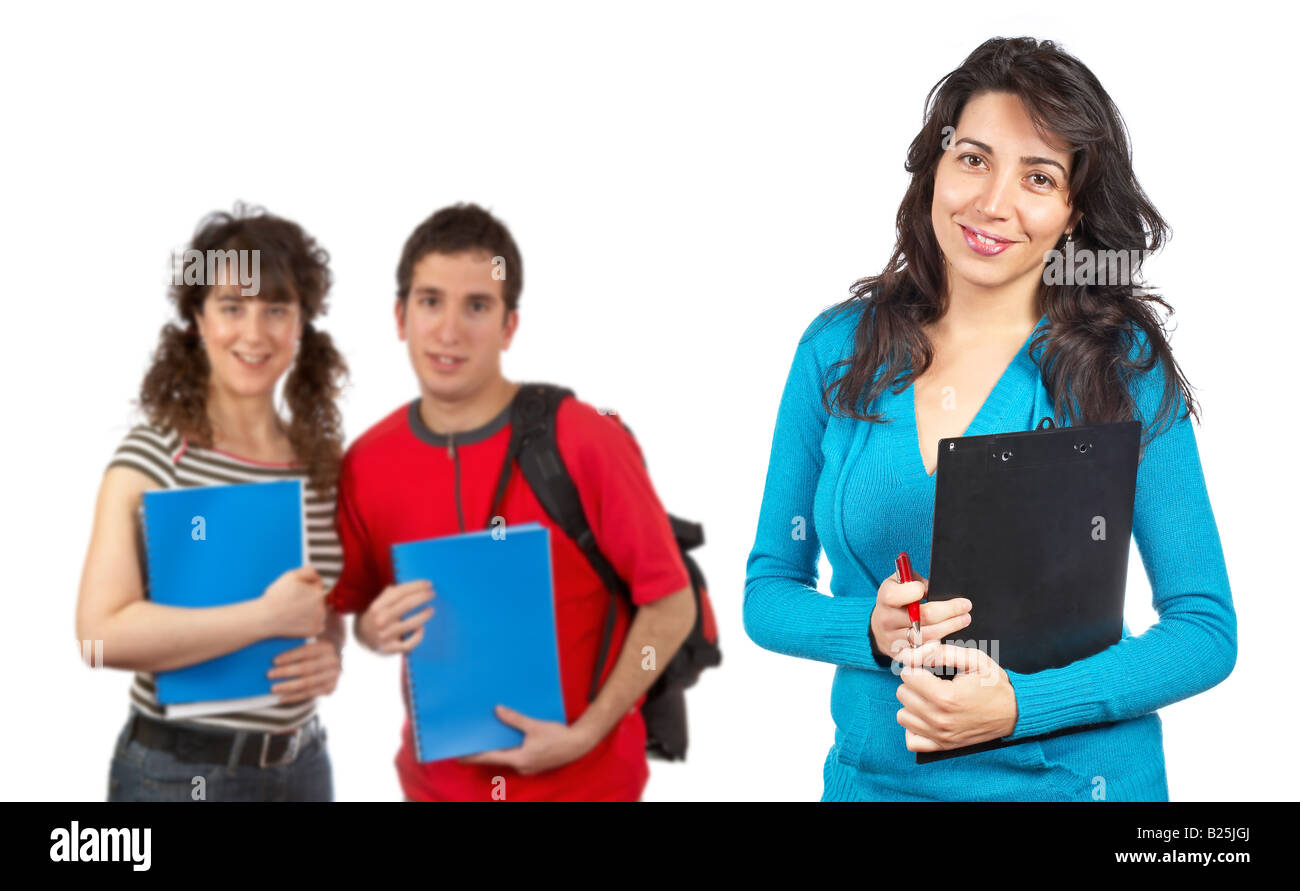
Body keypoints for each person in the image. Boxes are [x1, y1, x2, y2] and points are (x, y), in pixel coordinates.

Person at [743, 37, 1236, 802]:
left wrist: (1019, 707)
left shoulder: (1121, 363)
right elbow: (768, 589)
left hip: (1075, 784)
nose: (993, 202)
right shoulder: (836, 349)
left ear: (1072, 211)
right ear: (934, 168)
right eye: (973, 158)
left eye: (1038, 177)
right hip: (875, 782)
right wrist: (870, 633)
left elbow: (1204, 628)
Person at [328, 203, 697, 801]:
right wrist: (372, 629)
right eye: (430, 301)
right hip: (433, 789)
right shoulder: (367, 462)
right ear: (400, 315)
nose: (449, 331)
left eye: (477, 306)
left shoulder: (584, 439)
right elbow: (361, 615)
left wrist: (586, 733)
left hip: (586, 784)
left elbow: (671, 607)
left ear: (508, 325)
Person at [77, 204, 350, 801]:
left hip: (303, 767)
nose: (254, 334)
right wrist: (263, 619)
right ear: (198, 320)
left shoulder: (321, 465)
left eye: (276, 310)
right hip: (180, 777)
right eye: (232, 307)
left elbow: (321, 609)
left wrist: (330, 651)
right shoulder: (152, 458)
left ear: (301, 323)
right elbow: (98, 638)